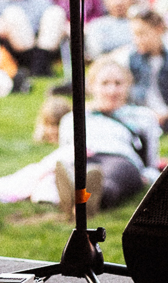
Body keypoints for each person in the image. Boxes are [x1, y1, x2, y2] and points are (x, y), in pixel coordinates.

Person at [50, 59, 160, 218]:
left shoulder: (143, 117)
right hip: (85, 157)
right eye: (105, 83)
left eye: (118, 83)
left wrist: (147, 177)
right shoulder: (74, 118)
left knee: (107, 181)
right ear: (92, 86)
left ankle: (80, 201)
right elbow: (65, 152)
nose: (112, 90)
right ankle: (80, 201)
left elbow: (151, 162)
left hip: (121, 160)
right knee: (80, 173)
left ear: (128, 85)